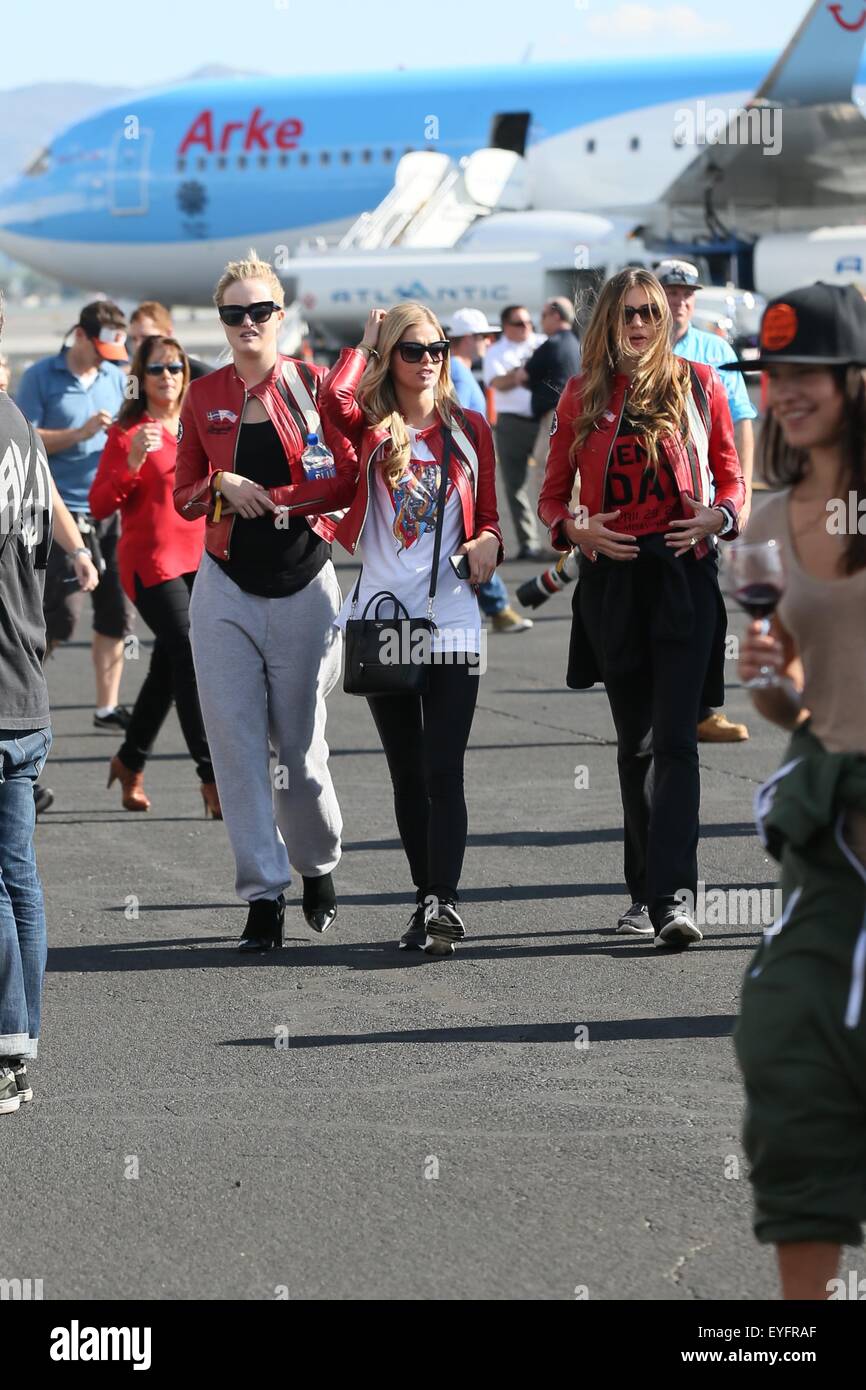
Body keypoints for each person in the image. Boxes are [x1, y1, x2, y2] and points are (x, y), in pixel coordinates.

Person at [728, 283, 866, 1300]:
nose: (782, 392)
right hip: (827, 819)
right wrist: (767, 677)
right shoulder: (766, 522)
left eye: (802, 373)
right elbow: (791, 705)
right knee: (787, 1056)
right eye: (770, 377)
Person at [538, 268, 744, 946]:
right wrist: (575, 530)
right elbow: (550, 498)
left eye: (651, 313)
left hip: (684, 576)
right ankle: (642, 892)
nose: (640, 324)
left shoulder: (699, 383)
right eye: (629, 313)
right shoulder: (582, 393)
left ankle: (674, 898)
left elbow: (733, 479)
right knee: (636, 747)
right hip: (613, 584)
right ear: (609, 322)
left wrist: (718, 517)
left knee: (678, 744)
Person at [174, 251, 353, 949]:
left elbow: (342, 481)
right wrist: (222, 485)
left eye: (258, 311)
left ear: (280, 316)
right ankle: (262, 895)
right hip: (222, 586)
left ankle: (318, 864)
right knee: (237, 748)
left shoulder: (312, 385)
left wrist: (272, 499)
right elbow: (184, 495)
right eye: (232, 313)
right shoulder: (203, 394)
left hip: (305, 583)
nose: (246, 323)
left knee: (300, 755)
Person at [321, 301, 503, 957]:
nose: (428, 361)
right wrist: (364, 345)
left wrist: (487, 542)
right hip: (384, 620)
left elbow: (491, 520)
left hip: (450, 615)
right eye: (413, 350)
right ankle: (424, 898)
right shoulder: (370, 427)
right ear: (390, 358)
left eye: (438, 350)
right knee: (406, 774)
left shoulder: (469, 428)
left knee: (442, 767)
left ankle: (443, 904)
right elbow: (329, 400)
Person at [90, 335, 218, 816]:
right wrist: (133, 462)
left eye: (176, 368)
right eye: (157, 369)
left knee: (167, 666)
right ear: (139, 380)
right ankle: (212, 777)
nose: (168, 376)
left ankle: (129, 759)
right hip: (152, 563)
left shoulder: (197, 424)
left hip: (201, 560)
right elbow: (102, 504)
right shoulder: (129, 431)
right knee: (188, 652)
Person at [16, 300, 134, 733]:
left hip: (110, 508)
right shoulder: (40, 376)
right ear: (81, 336)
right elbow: (20, 439)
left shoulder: (117, 378)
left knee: (116, 613)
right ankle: (21, 685)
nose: (108, 362)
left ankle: (106, 708)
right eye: (102, 351)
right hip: (58, 507)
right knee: (61, 613)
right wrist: (78, 433)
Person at [659, 258, 757, 745]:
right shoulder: (634, 347)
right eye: (670, 293)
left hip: (701, 505)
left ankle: (701, 710)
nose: (679, 302)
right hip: (645, 505)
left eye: (685, 294)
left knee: (704, 610)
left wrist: (744, 491)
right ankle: (653, 711)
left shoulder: (715, 349)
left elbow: (742, 418)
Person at [0, 288, 54, 1113]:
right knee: (18, 875)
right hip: (27, 683)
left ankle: (7, 1043)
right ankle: (19, 1044)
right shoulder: (19, 428)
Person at [446, 308, 531, 634]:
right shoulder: (457, 371)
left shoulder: (461, 369)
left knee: (472, 540)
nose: (488, 342)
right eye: (483, 336)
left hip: (467, 470)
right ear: (468, 338)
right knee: (475, 538)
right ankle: (496, 608)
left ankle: (496, 608)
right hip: (465, 472)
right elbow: (458, 421)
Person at [483, 304, 546, 559]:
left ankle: (562, 538)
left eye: (529, 322)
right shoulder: (496, 350)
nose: (526, 327)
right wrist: (521, 375)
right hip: (512, 422)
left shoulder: (542, 342)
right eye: (519, 323)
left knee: (557, 480)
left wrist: (521, 376)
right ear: (506, 326)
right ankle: (529, 541)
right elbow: (497, 382)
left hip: (543, 419)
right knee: (514, 484)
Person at [518, 297, 582, 480]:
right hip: (577, 413)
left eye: (544, 315)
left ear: (555, 315)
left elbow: (523, 376)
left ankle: (551, 509)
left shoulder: (552, 344)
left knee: (545, 469)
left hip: (555, 417)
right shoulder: (576, 344)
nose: (541, 321)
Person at [129, 302, 212, 380]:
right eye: (134, 339)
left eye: (146, 338)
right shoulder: (133, 378)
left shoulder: (202, 376)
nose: (138, 345)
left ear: (168, 334)